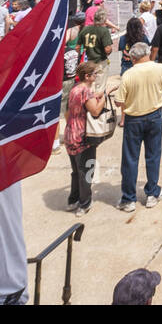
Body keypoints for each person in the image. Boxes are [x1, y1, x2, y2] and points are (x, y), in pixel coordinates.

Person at [115, 42, 162, 212]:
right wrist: (157, 92)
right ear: (148, 53)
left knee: (130, 159)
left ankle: (128, 199)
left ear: (133, 57)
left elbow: (119, 100)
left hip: (133, 119)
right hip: (154, 116)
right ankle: (152, 193)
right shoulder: (160, 69)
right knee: (153, 156)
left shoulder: (128, 75)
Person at [64, 60, 106, 215]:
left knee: (76, 171)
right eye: (94, 74)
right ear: (87, 76)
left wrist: (97, 95)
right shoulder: (86, 92)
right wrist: (102, 98)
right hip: (83, 135)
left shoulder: (75, 89)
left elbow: (68, 112)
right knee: (86, 171)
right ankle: (85, 203)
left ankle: (73, 199)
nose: (96, 76)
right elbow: (95, 111)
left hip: (70, 133)